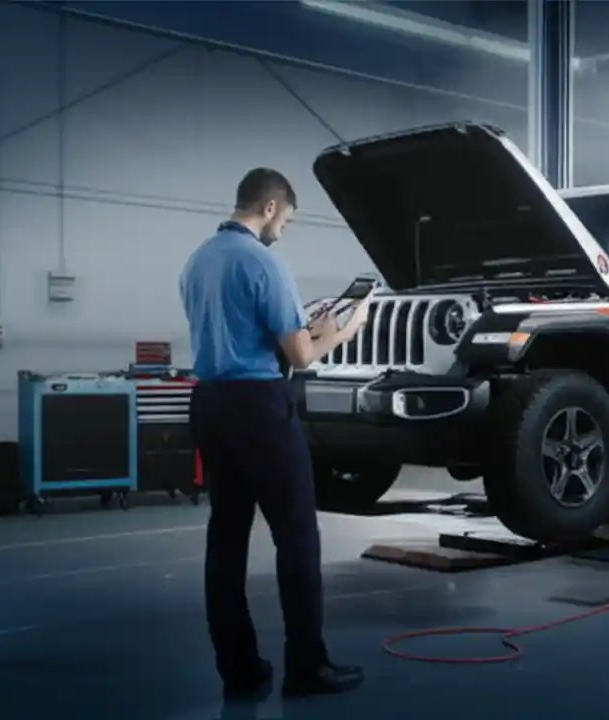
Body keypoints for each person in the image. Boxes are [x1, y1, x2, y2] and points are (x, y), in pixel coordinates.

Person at [180, 167, 374, 699]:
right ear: (269, 209)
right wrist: (344, 329)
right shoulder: (265, 262)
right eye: (285, 220)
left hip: (211, 403)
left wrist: (300, 325)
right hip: (260, 408)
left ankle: (239, 669)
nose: (282, 230)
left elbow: (242, 332)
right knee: (296, 537)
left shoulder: (198, 261)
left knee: (227, 536)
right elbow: (303, 355)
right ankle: (307, 667)